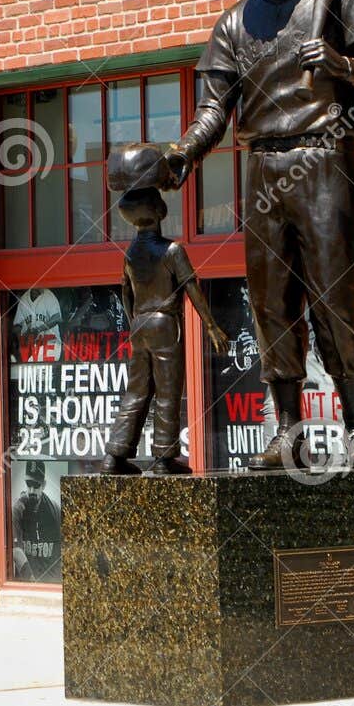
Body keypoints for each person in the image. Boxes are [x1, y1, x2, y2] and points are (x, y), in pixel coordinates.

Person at [155, 0, 354, 471]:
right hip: (263, 166)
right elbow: (215, 108)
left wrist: (340, 64)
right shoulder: (236, 24)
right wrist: (185, 153)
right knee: (271, 302)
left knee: (336, 297)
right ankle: (286, 427)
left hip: (325, 159)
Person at [99, 149, 231, 475]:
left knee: (137, 390)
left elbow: (125, 293)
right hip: (163, 323)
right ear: (159, 212)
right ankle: (163, 458)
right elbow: (192, 289)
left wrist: (134, 323)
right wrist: (212, 326)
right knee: (169, 391)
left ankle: (114, 455)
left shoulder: (130, 254)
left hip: (140, 325)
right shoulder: (172, 250)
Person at [10, 460, 61, 582]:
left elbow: (61, 551)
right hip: (25, 583)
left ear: (43, 485)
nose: (31, 490)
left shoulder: (55, 510)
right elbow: (15, 550)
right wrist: (31, 582)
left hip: (49, 582)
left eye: (36, 485)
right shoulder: (18, 509)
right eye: (29, 484)